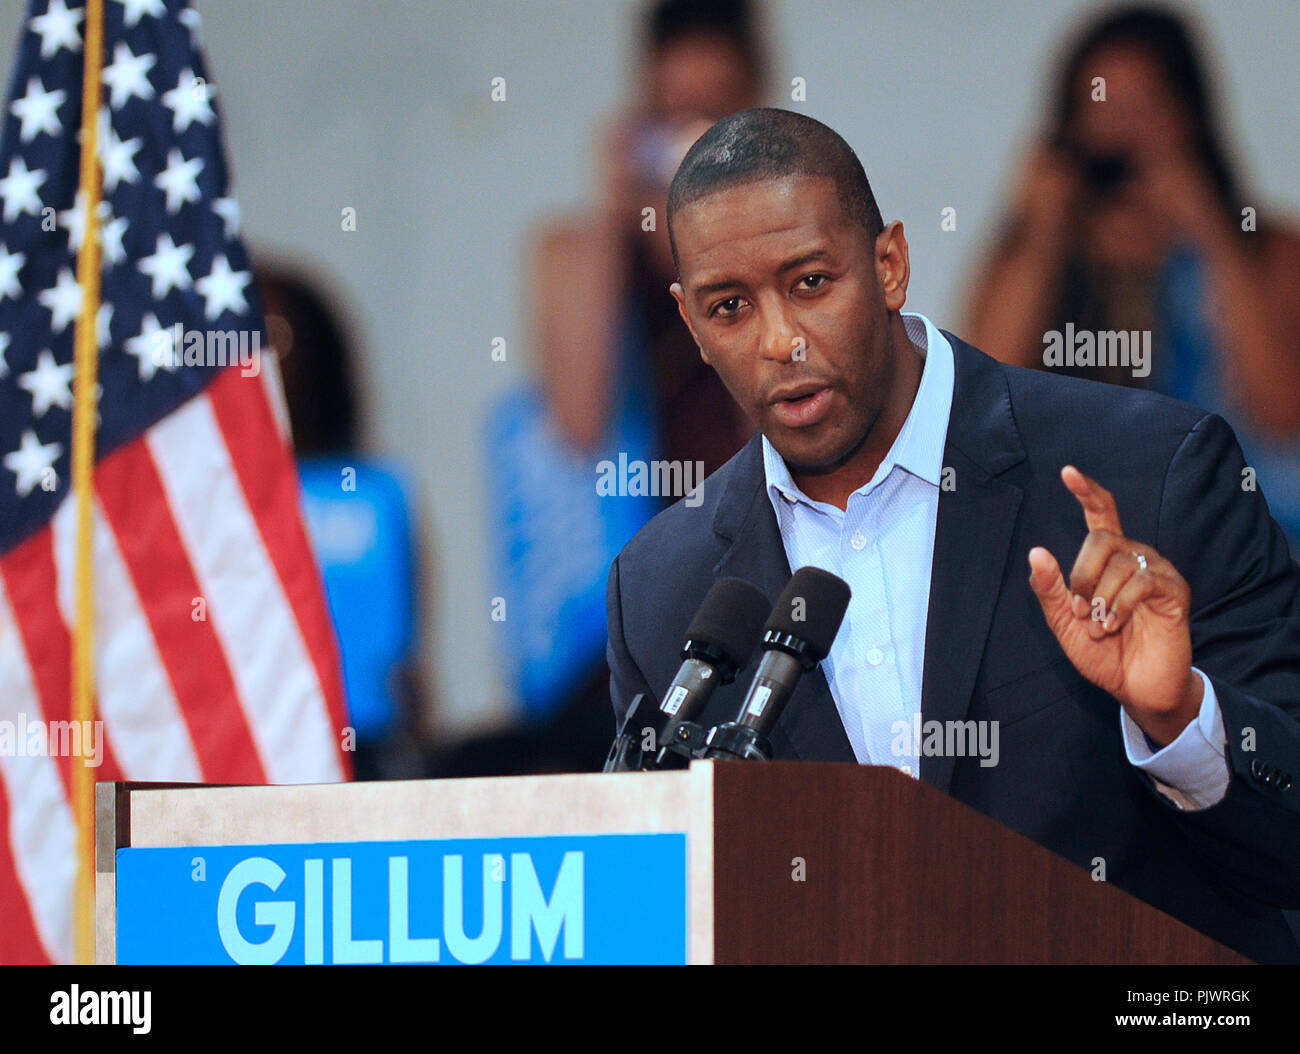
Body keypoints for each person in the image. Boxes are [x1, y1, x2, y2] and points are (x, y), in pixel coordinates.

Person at [605, 108, 1300, 963]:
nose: (779, 341)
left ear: (890, 264)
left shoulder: (1150, 473)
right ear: (691, 325)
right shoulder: (660, 589)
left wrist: (1178, 716)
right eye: (730, 307)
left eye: (812, 282)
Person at [963, 5, 1300, 550]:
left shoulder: (1267, 247)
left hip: (1252, 561)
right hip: (1083, 564)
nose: (1120, 133)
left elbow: (1282, 416)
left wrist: (1214, 236)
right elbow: (977, 408)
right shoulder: (1037, 255)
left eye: (1142, 108)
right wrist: (1040, 237)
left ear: (1190, 115)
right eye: (1099, 107)